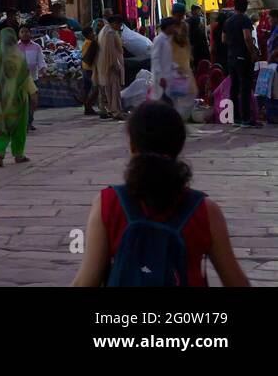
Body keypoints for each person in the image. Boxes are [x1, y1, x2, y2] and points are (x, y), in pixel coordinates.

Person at [72, 101, 249, 287]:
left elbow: (86, 282)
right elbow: (236, 282)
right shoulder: (206, 211)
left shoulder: (108, 203)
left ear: (132, 146)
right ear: (179, 146)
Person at [0, 27, 37, 166]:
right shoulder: (19, 56)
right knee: (19, 128)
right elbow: (26, 78)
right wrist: (33, 93)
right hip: (18, 100)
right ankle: (18, 154)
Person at [223, 0, 260, 127]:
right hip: (243, 57)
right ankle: (246, 118)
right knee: (245, 87)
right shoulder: (245, 20)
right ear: (245, 7)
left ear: (234, 6)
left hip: (231, 57)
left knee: (234, 87)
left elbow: (224, 39)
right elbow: (247, 37)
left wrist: (233, 45)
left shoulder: (228, 21)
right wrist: (252, 53)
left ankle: (236, 117)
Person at [96, 15, 127, 120]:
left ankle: (109, 110)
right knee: (114, 90)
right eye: (119, 24)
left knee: (108, 90)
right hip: (111, 66)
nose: (120, 27)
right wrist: (116, 64)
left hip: (106, 65)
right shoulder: (109, 33)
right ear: (115, 23)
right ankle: (116, 112)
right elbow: (110, 52)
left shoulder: (105, 31)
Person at [17, 25, 45, 131]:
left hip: (33, 78)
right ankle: (23, 123)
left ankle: (30, 121)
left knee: (33, 101)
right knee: (22, 102)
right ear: (19, 34)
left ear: (30, 33)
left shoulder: (36, 47)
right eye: (22, 32)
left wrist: (43, 70)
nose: (25, 34)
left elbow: (41, 61)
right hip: (19, 80)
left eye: (27, 31)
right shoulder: (15, 47)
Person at [80, 27, 100, 116]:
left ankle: (87, 107)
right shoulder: (91, 43)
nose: (94, 34)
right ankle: (88, 105)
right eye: (92, 33)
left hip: (85, 68)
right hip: (90, 69)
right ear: (88, 35)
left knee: (86, 88)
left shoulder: (85, 43)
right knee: (96, 89)